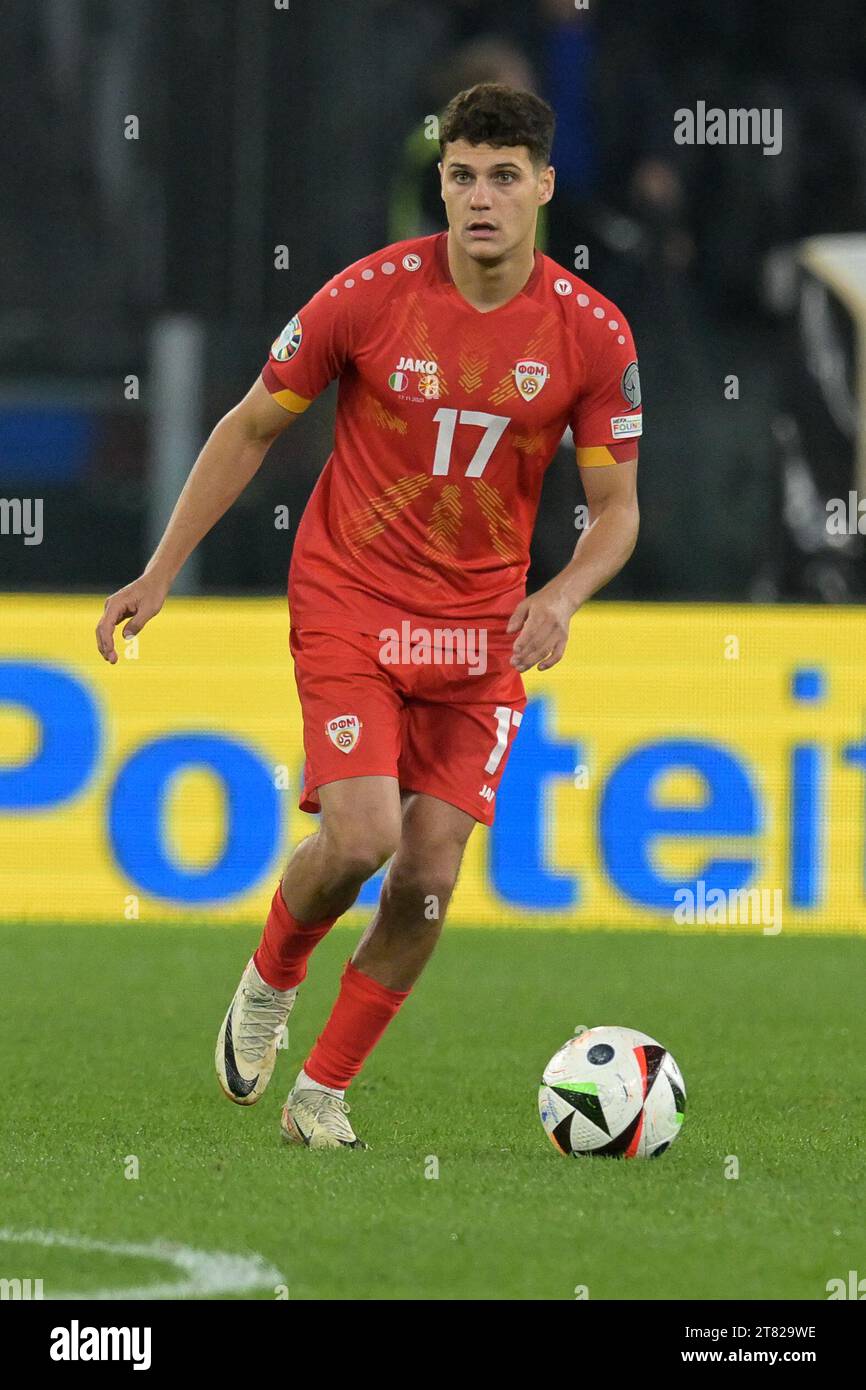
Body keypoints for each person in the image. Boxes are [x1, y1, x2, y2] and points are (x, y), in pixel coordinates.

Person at [95, 83, 642, 1150]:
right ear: (439, 180)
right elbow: (250, 427)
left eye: (499, 177)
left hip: (480, 632)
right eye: (459, 176)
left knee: (428, 876)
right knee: (360, 837)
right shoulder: (368, 295)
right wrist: (159, 571)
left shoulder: (589, 335)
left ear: (541, 186)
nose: (477, 198)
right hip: (352, 600)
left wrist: (560, 594)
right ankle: (269, 977)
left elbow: (615, 511)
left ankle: (321, 1094)